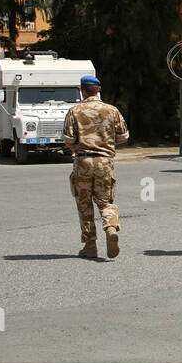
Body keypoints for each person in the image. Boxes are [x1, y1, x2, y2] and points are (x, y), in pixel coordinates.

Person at [62, 74, 129, 260]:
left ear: (82, 90)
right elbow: (124, 137)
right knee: (105, 201)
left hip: (83, 161)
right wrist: (107, 143)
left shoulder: (74, 111)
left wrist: (78, 146)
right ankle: (111, 228)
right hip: (105, 162)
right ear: (98, 89)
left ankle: (90, 245)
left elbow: (68, 140)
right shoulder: (111, 110)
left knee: (84, 203)